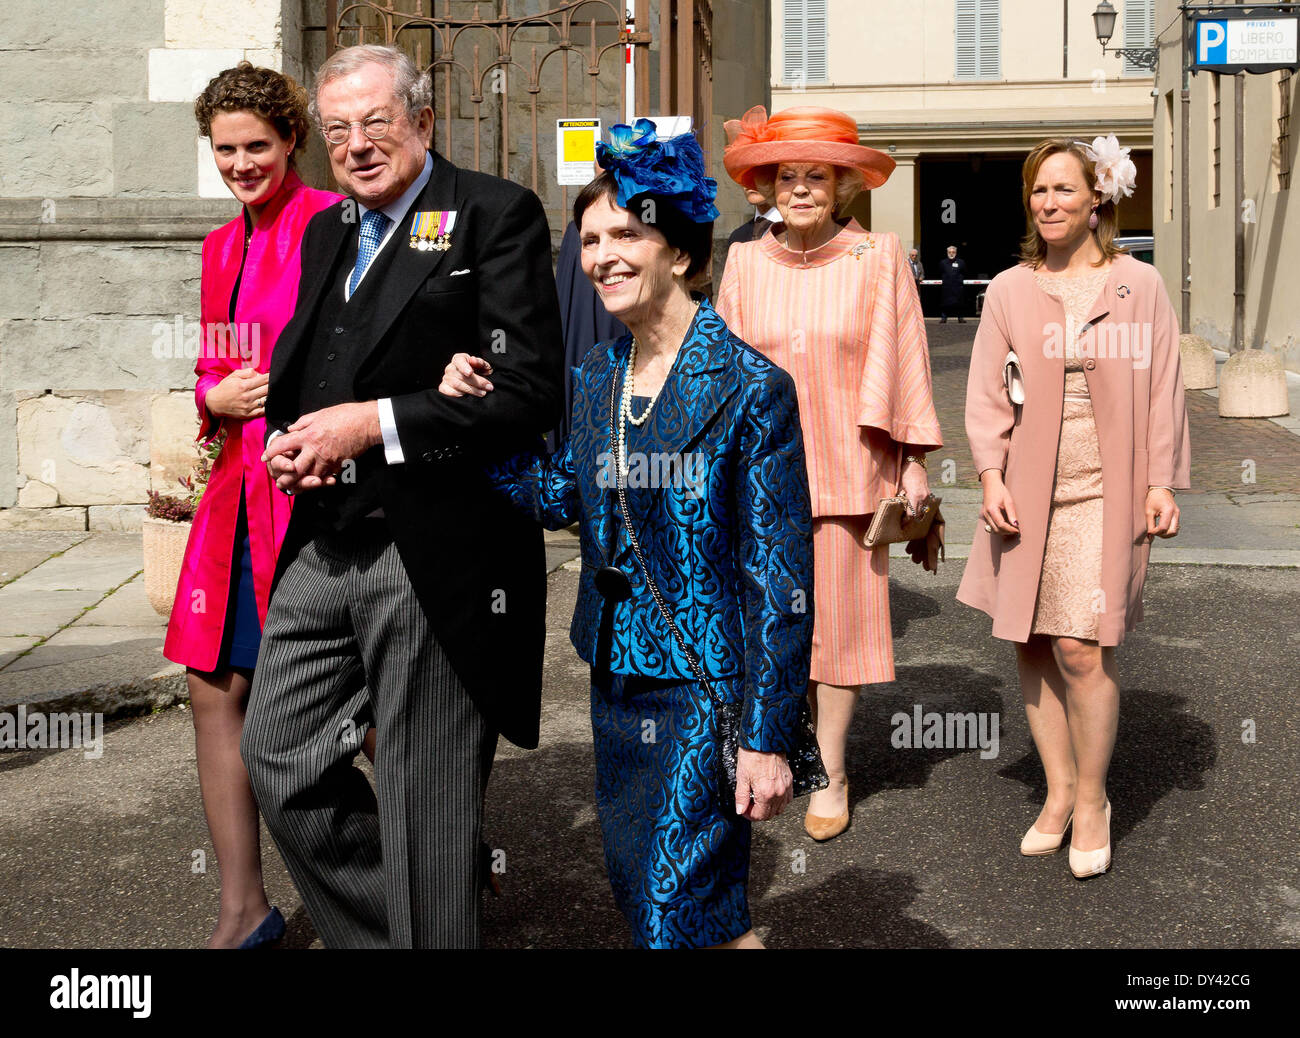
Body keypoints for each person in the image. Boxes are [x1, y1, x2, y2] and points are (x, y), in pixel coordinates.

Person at [438, 120, 815, 948]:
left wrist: (766, 738)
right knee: (656, 902)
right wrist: (469, 418)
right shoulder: (599, 373)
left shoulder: (753, 389)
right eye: (590, 238)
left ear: (677, 251)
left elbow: (779, 580)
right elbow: (551, 495)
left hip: (706, 691)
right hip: (616, 680)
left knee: (680, 905)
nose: (600, 255)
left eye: (626, 235)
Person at [240, 44, 563, 948]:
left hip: (438, 551)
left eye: (376, 121)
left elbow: (528, 389)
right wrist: (293, 439)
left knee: (426, 803)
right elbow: (314, 370)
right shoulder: (324, 231)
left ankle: (435, 911)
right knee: (276, 757)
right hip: (326, 539)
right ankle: (408, 927)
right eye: (338, 130)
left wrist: (374, 423)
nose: (357, 144)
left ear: (422, 121)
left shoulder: (494, 215)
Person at [956, 136, 1189, 879]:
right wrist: (989, 474)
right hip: (1029, 488)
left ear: (1098, 200)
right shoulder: (1008, 290)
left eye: (1064, 190)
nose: (1049, 203)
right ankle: (1055, 793)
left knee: (1082, 645)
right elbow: (989, 394)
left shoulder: (1137, 284)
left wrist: (1161, 481)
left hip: (1106, 487)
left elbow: (1163, 389)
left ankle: (1092, 800)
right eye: (1038, 191)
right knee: (1028, 640)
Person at [715, 106, 942, 842]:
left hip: (849, 473)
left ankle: (833, 771)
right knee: (773, 625)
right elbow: (716, 375)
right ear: (768, 185)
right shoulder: (745, 263)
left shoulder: (876, 257)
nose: (801, 188)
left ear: (842, 185)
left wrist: (911, 466)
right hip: (760, 481)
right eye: (788, 175)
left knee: (837, 635)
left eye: (816, 175)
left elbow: (907, 362)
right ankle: (777, 749)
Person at [163, 62, 343, 949]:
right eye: (226, 149)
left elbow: (351, 355)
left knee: (372, 705)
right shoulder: (217, 248)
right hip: (236, 500)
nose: (240, 164)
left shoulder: (332, 225)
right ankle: (244, 911)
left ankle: (435, 864)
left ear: (291, 141)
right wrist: (213, 397)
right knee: (213, 689)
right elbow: (216, 361)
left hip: (312, 498)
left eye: (256, 147)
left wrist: (272, 398)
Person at [939, 244, 966, 323]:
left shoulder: (961, 262)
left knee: (959, 303)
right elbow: (940, 271)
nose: (951, 253)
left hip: (958, 287)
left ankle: (960, 318)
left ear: (956, 253)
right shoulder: (943, 262)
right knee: (945, 303)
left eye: (953, 252)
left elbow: (964, 272)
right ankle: (944, 317)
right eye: (950, 252)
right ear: (947, 253)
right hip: (946, 287)